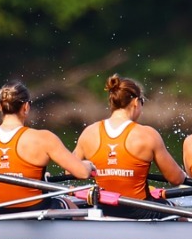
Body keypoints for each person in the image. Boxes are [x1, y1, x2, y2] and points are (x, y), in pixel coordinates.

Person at [0, 82, 96, 210]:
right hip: (36, 212)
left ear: (0, 106)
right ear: (26, 107)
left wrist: (40, 177)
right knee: (70, 205)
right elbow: (82, 173)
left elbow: (8, 169)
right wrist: (89, 166)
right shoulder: (43, 138)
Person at [73, 74, 186, 204]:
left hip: (103, 208)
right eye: (142, 102)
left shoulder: (89, 133)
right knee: (176, 210)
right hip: (140, 210)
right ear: (136, 102)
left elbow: (69, 170)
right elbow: (176, 179)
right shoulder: (148, 135)